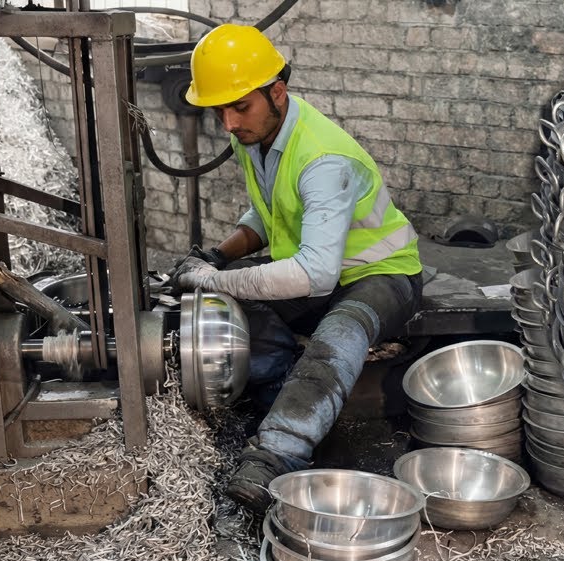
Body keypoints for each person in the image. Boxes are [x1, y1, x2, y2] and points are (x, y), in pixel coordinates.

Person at [170, 24, 424, 514]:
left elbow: (314, 277)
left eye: (239, 106)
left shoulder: (323, 158)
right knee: (240, 310)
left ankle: (276, 455)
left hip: (383, 274)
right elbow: (266, 215)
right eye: (219, 109)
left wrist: (214, 279)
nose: (228, 123)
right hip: (317, 270)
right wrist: (219, 257)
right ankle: (282, 398)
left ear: (277, 92)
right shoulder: (259, 137)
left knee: (341, 332)